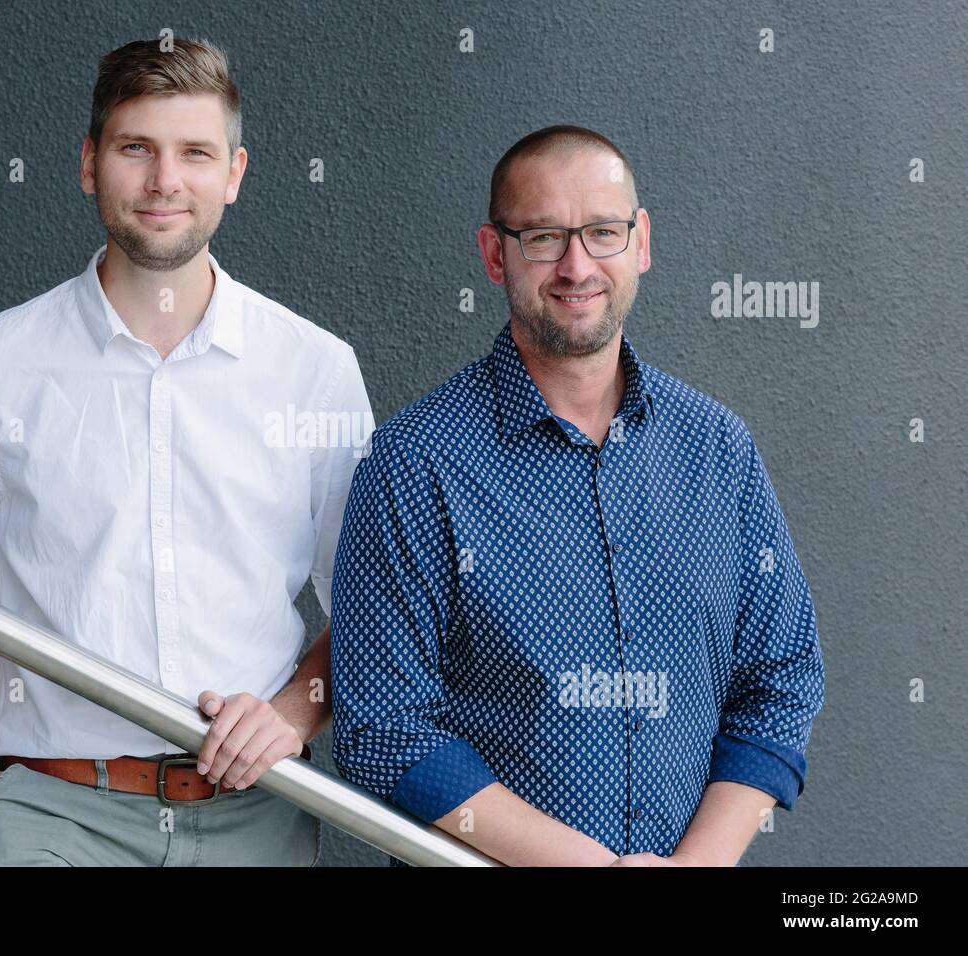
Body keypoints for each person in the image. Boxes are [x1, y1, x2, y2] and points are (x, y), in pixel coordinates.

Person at [0, 37, 372, 866]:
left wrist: (293, 710)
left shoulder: (316, 371)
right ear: (89, 164)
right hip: (52, 814)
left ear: (235, 174)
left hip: (258, 813)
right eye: (136, 148)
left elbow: (370, 603)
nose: (164, 180)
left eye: (194, 153)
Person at [329, 125, 824, 866]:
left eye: (602, 232)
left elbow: (782, 676)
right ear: (495, 255)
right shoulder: (413, 463)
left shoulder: (718, 449)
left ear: (642, 242)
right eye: (542, 237)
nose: (576, 265)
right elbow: (384, 727)